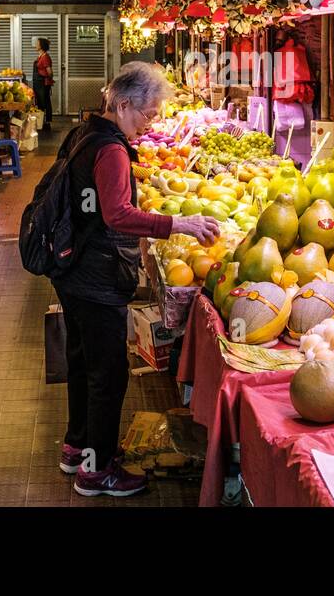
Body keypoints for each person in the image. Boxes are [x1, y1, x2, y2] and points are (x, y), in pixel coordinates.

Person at [51, 61, 219, 497]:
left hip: (71, 268)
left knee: (83, 361)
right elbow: (118, 214)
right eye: (147, 114)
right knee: (109, 371)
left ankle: (77, 448)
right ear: (123, 104)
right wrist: (179, 223)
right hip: (94, 274)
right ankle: (98, 470)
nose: (151, 122)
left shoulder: (84, 132)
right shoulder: (110, 150)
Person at [32, 37, 54, 132]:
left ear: (41, 46)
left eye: (37, 43)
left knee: (45, 103)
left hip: (43, 83)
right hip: (38, 83)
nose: (35, 45)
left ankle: (46, 123)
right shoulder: (40, 56)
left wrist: (47, 79)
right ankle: (41, 122)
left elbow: (50, 72)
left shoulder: (45, 57)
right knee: (40, 103)